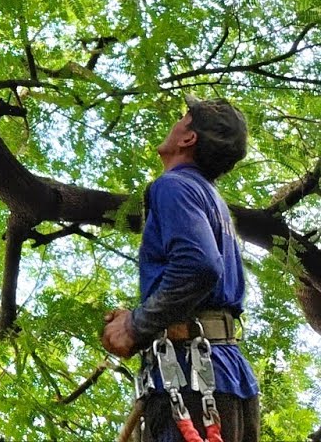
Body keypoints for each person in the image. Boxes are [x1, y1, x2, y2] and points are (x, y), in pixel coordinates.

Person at [102, 95, 260, 442]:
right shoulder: (209, 198)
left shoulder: (173, 186)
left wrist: (137, 324)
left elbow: (198, 266)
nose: (175, 123)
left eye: (183, 118)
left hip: (192, 375)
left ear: (188, 138)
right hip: (225, 374)